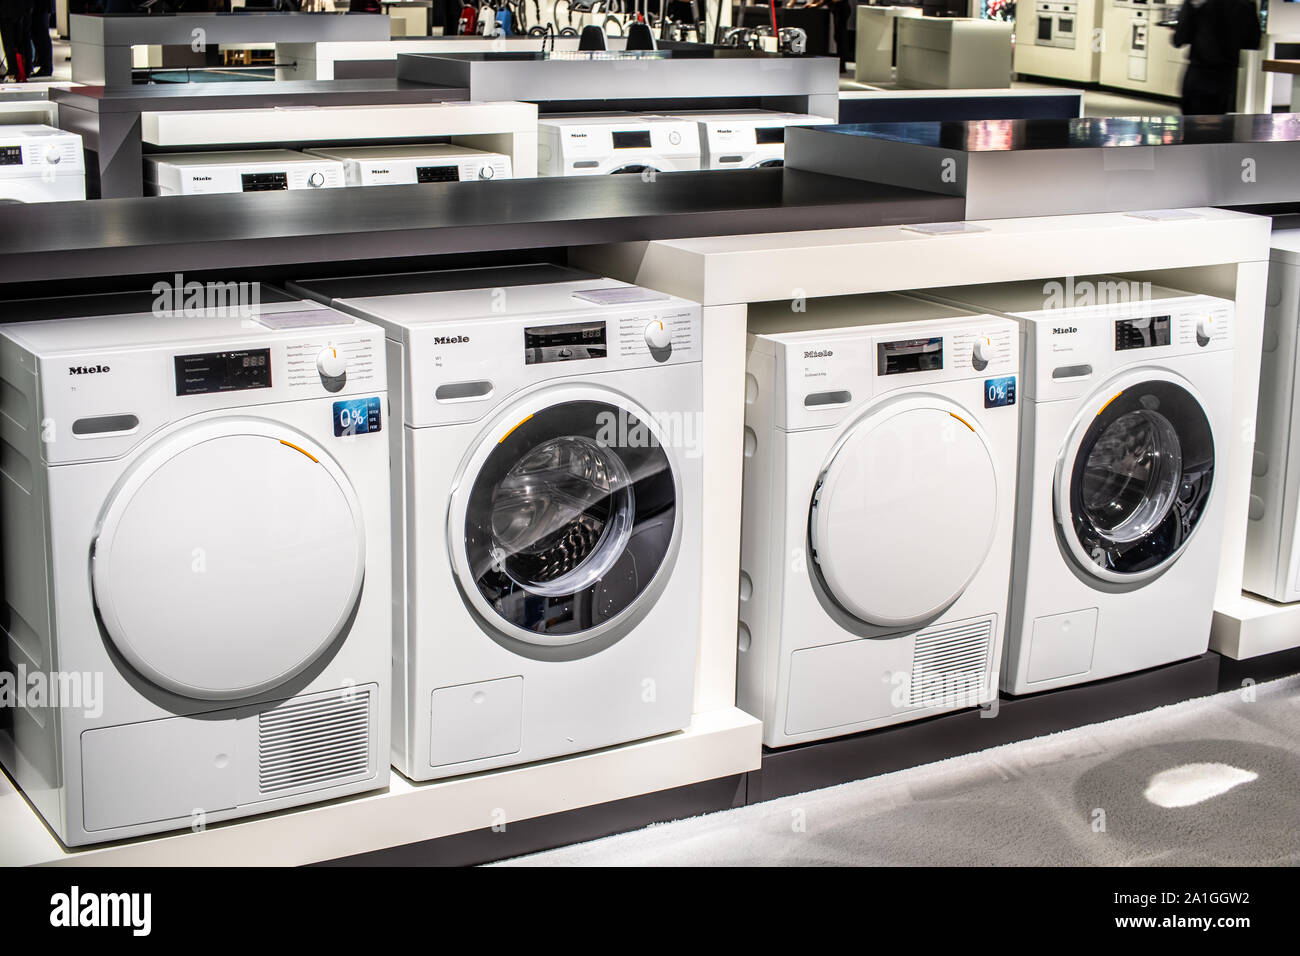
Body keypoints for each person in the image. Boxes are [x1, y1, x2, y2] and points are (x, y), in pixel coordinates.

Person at [1172, 0, 1262, 116]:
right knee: (1220, 126)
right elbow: (1253, 42)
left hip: (1199, 75)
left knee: (1193, 126)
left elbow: (1180, 39)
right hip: (1226, 77)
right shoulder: (1246, 4)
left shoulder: (1197, 2)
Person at [0, 0, 31, 81]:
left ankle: (13, 71)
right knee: (21, 41)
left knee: (9, 42)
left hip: (7, 10)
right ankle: (24, 70)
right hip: (21, 10)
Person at [28, 0, 54, 78]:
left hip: (41, 6)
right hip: (40, 7)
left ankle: (46, 67)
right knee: (38, 36)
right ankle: (44, 64)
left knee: (41, 36)